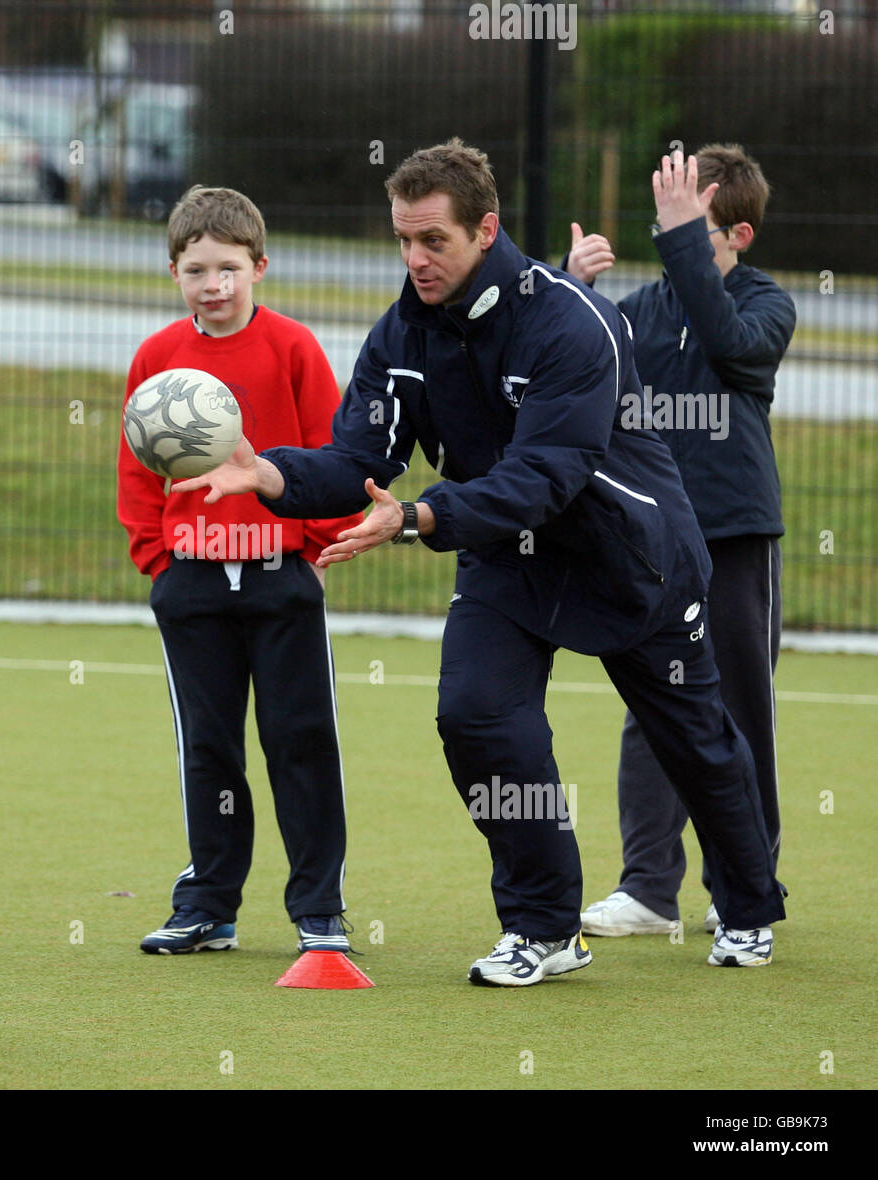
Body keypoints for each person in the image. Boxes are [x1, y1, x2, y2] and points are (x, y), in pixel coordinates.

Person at [173, 141, 787, 985]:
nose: (414, 260)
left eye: (433, 242)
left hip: (629, 555)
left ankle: (749, 905)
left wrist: (420, 518)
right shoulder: (401, 332)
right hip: (507, 561)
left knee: (695, 745)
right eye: (402, 240)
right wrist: (270, 472)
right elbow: (358, 452)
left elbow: (546, 476)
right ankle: (543, 926)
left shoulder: (574, 319)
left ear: (486, 228)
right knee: (475, 715)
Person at [117, 186, 363, 956]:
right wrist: (159, 559)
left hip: (279, 578)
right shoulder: (157, 357)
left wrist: (317, 547)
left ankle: (319, 907)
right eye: (197, 270)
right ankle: (210, 904)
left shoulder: (292, 347)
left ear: (260, 266)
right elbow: (134, 470)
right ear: (174, 273)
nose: (213, 285)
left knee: (300, 738)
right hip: (191, 587)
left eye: (229, 268)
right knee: (209, 748)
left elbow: (333, 456)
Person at [566, 146, 795, 938]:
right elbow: (576, 364)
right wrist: (576, 292)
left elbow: (726, 340)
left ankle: (747, 883)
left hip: (734, 533)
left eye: (692, 229)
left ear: (737, 234)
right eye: (666, 225)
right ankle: (647, 888)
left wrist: (681, 241)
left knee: (739, 704)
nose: (671, 242)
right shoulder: (640, 307)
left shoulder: (766, 303)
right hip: (656, 540)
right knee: (652, 706)